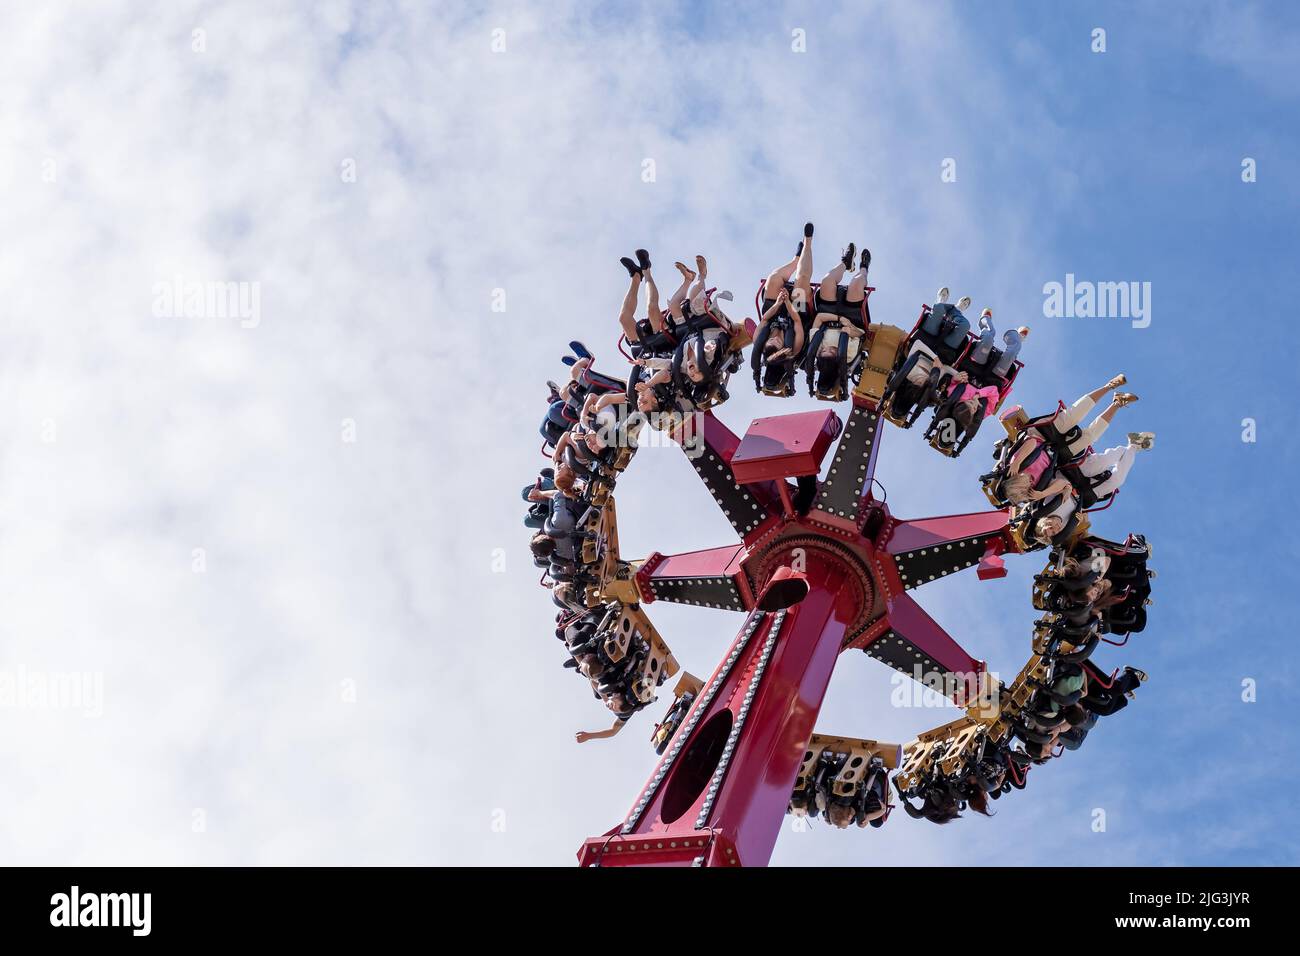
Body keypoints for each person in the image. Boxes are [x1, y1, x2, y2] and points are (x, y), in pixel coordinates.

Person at [968, 308, 1029, 378]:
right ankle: (985, 320)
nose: (1024, 334)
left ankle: (1016, 337)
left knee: (1013, 351)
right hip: (979, 358)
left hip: (997, 372)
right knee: (989, 337)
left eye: (1024, 335)